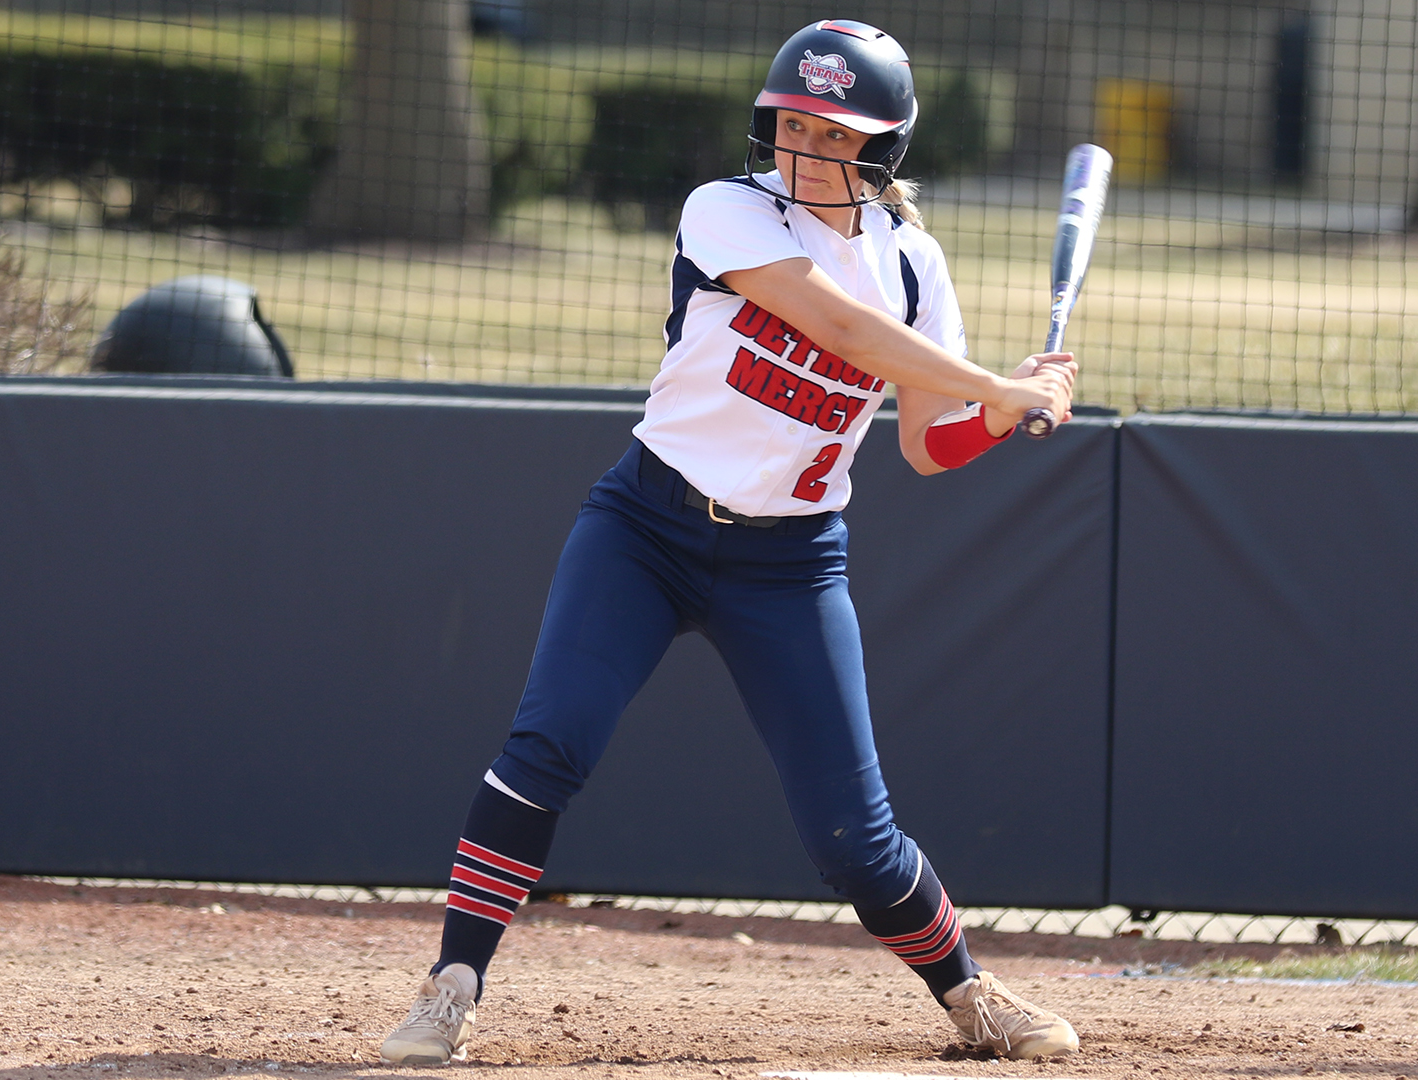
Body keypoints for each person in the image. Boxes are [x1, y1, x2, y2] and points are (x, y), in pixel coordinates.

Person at [377, 18, 1081, 1067]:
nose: (805, 150)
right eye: (792, 125)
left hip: (790, 566)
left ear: (879, 150)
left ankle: (972, 999)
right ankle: (452, 986)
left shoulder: (915, 267)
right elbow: (837, 329)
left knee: (855, 838)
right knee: (548, 745)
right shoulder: (727, 209)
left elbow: (931, 446)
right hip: (647, 528)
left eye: (834, 134)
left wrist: (1008, 412)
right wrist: (995, 386)